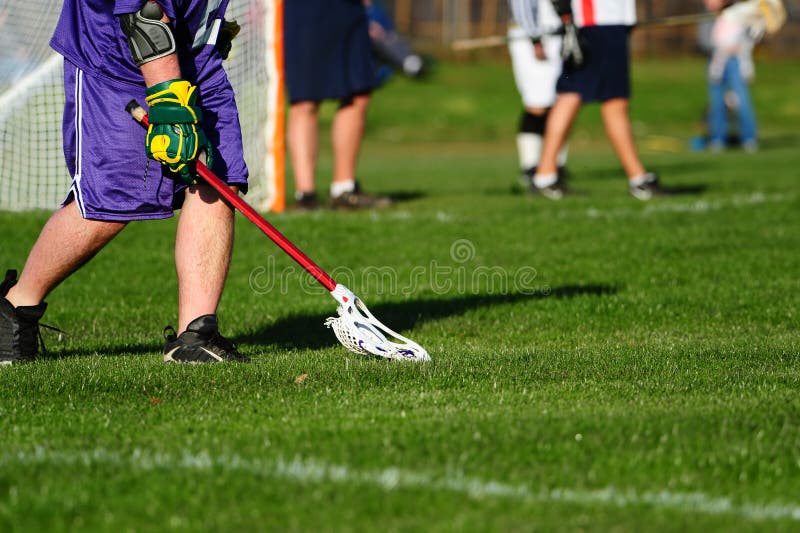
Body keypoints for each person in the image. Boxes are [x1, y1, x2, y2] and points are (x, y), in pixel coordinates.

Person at [0, 0, 248, 365]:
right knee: (112, 202)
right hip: (116, 60)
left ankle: (195, 336)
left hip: (194, 55)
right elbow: (146, 15)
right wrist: (169, 106)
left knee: (219, 179)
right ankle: (15, 309)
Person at [531, 0, 662, 200]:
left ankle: (545, 174)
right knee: (613, 99)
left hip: (597, 20)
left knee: (572, 94)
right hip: (600, 19)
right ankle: (638, 179)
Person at [284, 0, 391, 211]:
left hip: (349, 9)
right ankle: (305, 195)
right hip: (306, 9)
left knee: (358, 92)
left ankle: (343, 189)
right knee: (306, 100)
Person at [506, 0, 569, 190]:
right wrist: (534, 38)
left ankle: (555, 164)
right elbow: (522, 5)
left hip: (555, 36)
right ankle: (531, 167)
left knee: (559, 103)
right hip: (534, 37)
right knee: (538, 104)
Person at [703, 0, 760, 152]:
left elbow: (752, 33)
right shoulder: (707, 17)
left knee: (742, 101)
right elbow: (704, 41)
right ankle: (717, 138)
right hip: (717, 62)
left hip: (736, 61)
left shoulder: (740, 12)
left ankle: (749, 138)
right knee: (717, 103)